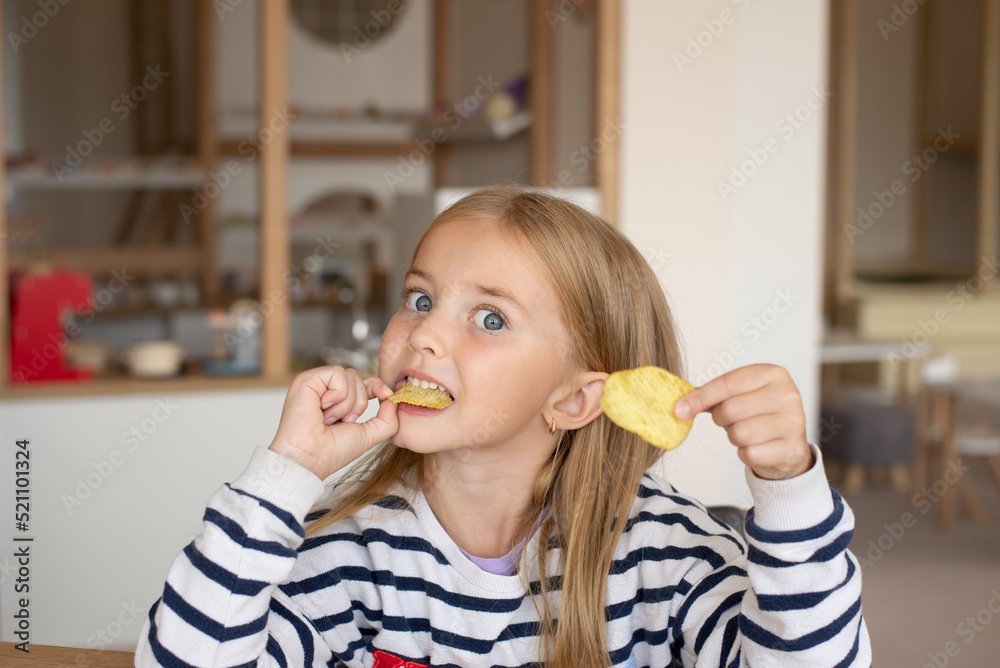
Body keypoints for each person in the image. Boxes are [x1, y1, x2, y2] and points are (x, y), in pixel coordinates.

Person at [136, 186, 871, 667]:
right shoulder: (346, 557)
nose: (424, 336)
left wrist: (788, 490)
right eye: (420, 300)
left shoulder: (668, 557)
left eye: (489, 318)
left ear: (577, 400)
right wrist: (287, 471)